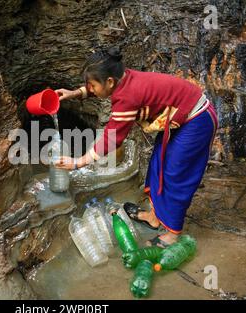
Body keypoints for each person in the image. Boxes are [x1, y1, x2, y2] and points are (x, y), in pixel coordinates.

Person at [54, 47, 218, 248]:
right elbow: (100, 87)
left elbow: (112, 138)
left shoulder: (127, 97)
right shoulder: (123, 78)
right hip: (180, 117)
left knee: (177, 174)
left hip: (196, 119)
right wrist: (75, 93)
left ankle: (173, 233)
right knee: (159, 164)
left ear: (110, 82)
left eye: (92, 85)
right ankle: (155, 217)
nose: (91, 88)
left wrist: (79, 162)